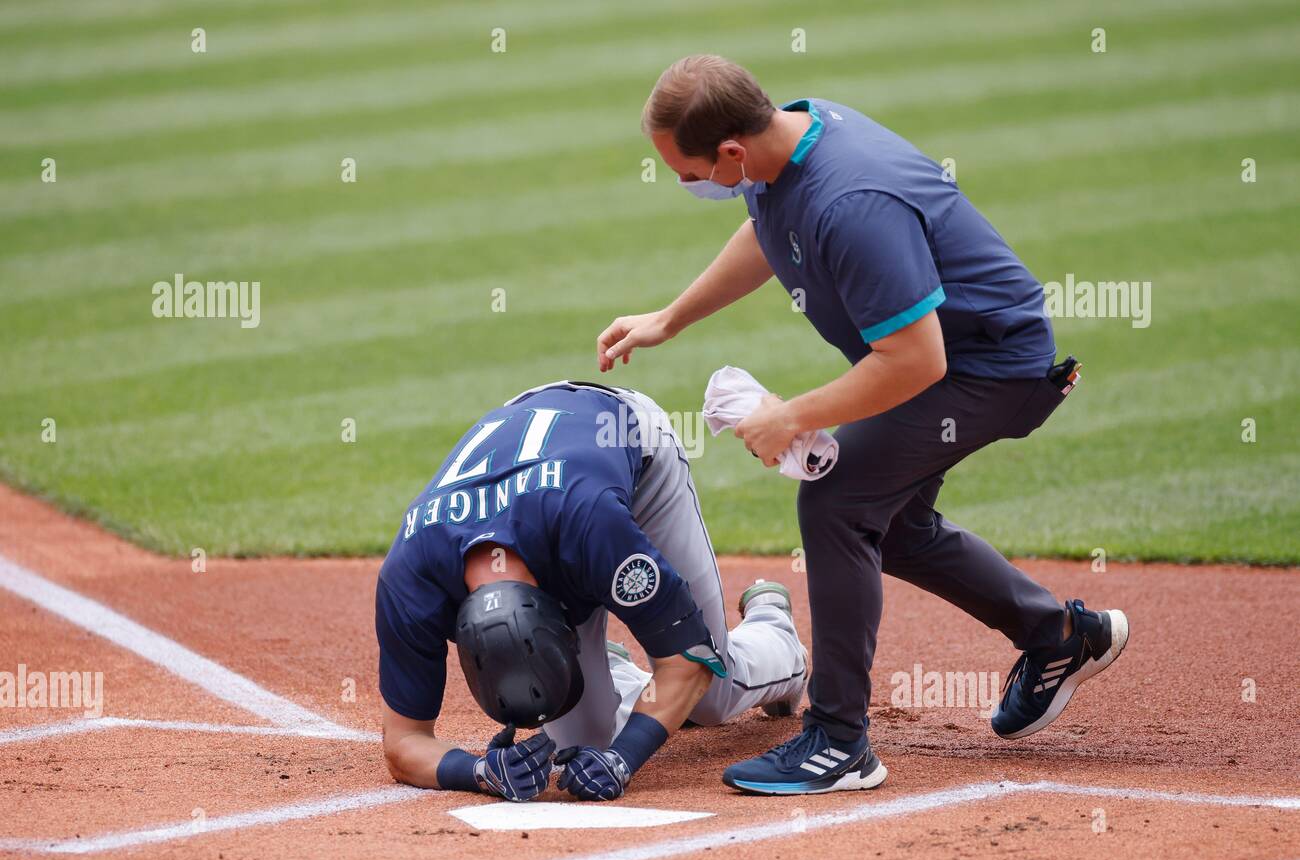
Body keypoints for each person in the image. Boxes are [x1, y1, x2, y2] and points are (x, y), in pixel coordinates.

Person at [596, 55, 1130, 796]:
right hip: (955, 358)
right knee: (894, 523)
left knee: (838, 502)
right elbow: (765, 232)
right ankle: (1062, 638)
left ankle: (839, 739)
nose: (686, 185)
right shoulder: (786, 143)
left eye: (686, 171)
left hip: (991, 370)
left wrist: (791, 416)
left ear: (730, 151)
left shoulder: (850, 201)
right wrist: (669, 318)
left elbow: (914, 362)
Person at [376, 380, 808, 802]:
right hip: (547, 488)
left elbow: (688, 663)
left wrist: (623, 759)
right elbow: (404, 741)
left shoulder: (592, 527)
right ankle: (614, 672)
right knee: (583, 740)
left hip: (624, 439)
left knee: (712, 692)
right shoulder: (408, 579)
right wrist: (476, 772)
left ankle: (776, 630)